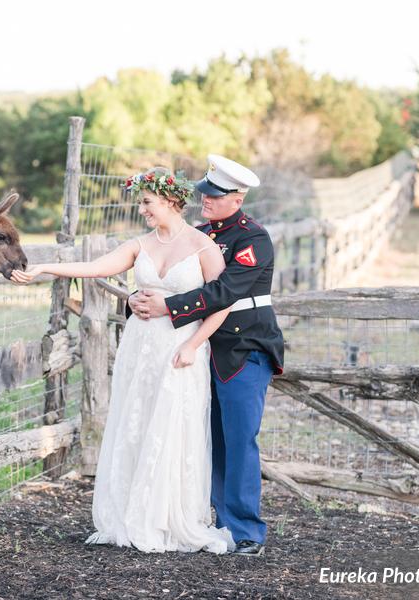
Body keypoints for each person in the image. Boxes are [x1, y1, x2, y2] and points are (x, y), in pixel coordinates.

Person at [11, 167, 234, 554]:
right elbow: (96, 268)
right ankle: (130, 512)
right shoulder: (140, 244)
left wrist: (195, 344)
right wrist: (46, 268)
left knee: (172, 424)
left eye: (147, 203)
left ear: (169, 201)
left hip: (180, 347)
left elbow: (222, 302)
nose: (143, 210)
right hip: (140, 348)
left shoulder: (203, 246)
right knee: (135, 420)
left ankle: (165, 516)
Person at [128, 154, 285, 557]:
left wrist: (169, 306)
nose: (206, 201)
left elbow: (224, 293)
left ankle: (246, 529)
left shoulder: (254, 239)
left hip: (243, 348)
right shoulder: (199, 235)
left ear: (238, 197)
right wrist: (140, 299)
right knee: (203, 437)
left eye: (215, 195)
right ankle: (213, 520)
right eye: (204, 193)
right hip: (198, 350)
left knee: (239, 439)